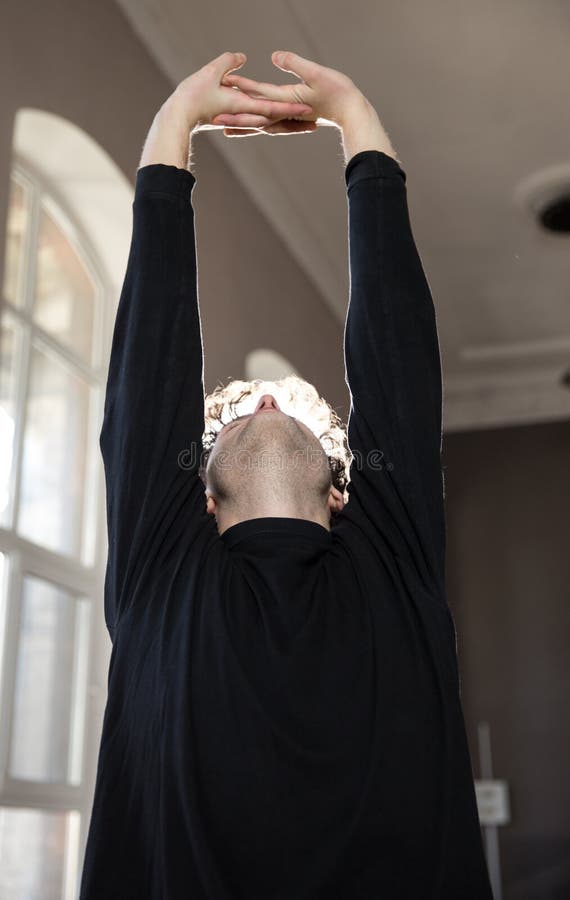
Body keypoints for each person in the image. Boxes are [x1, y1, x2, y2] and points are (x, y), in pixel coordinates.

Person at [79, 50, 494, 899]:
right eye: (232, 406)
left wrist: (359, 126)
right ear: (199, 490)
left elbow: (397, 361)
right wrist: (171, 132)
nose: (264, 395)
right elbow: (149, 375)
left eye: (292, 401)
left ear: (344, 488)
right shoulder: (164, 573)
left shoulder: (393, 559)